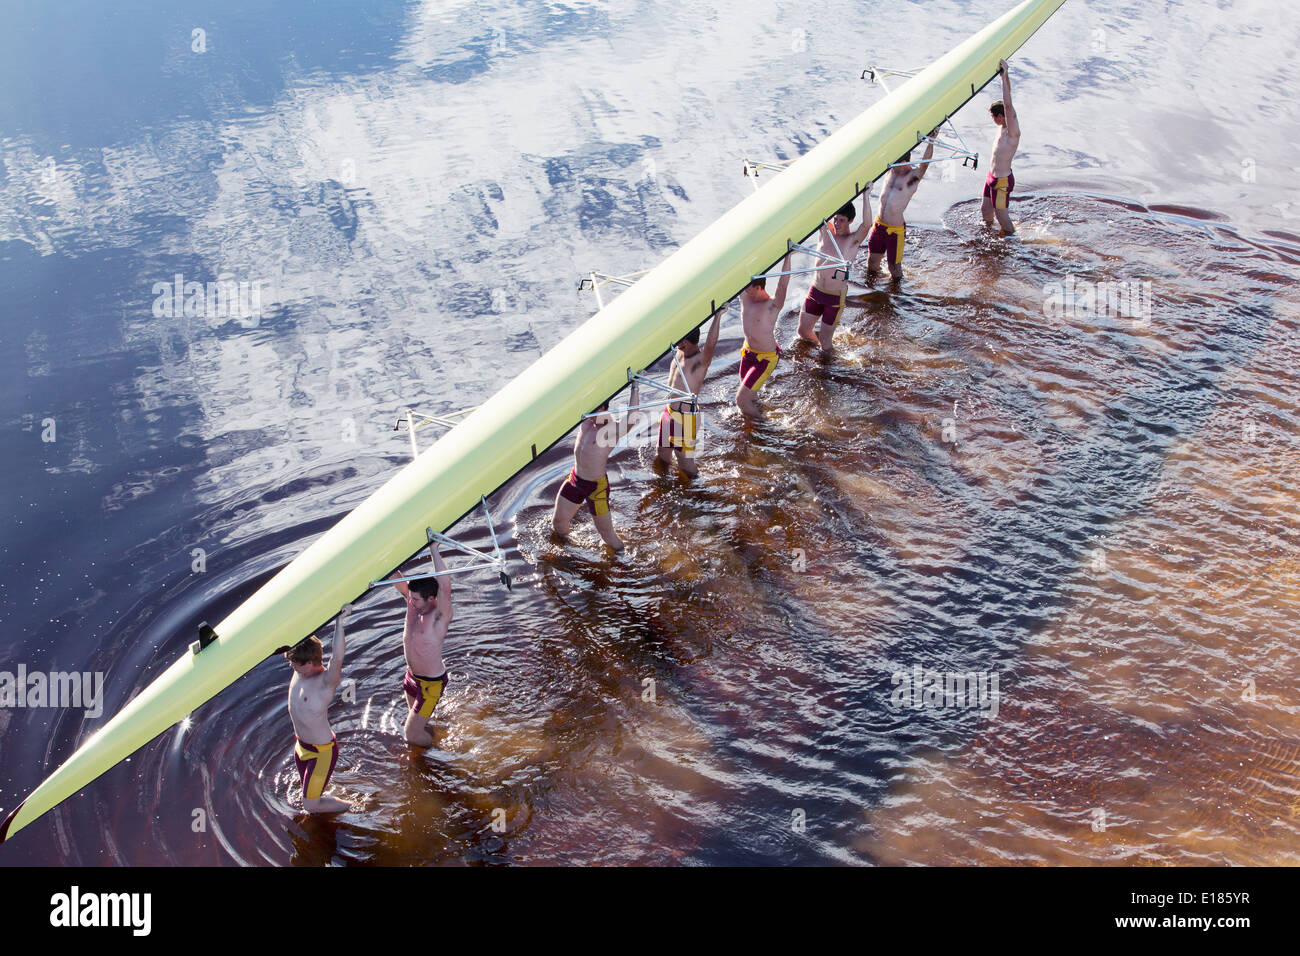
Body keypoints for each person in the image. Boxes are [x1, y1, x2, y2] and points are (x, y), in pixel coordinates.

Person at [552, 384, 639, 551]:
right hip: (575, 480)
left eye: (593, 406)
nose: (588, 409)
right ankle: (572, 553)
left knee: (608, 538)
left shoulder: (609, 430)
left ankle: (623, 561)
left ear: (601, 407)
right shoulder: (586, 421)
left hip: (596, 489)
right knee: (559, 524)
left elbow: (630, 420)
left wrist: (635, 387)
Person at [285, 605, 352, 813]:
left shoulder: (325, 682)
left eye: (295, 663)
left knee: (310, 805)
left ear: (310, 662)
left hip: (322, 752)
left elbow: (338, 657)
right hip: (301, 747)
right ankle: (326, 798)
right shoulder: (300, 670)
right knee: (309, 794)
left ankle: (354, 808)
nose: (291, 667)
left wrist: (339, 622)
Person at [392, 550, 452, 748]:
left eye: (416, 599)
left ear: (431, 599)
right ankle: (433, 739)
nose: (411, 602)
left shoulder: (440, 618)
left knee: (411, 735)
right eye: (411, 598)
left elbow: (445, 586)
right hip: (412, 677)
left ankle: (442, 752)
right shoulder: (413, 605)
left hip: (430, 685)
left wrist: (434, 548)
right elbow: (395, 576)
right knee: (420, 725)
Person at [796, 197, 873, 351]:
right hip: (815, 290)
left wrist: (866, 195)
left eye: (842, 220)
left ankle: (830, 366)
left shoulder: (852, 240)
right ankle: (815, 350)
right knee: (803, 332)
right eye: (835, 219)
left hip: (834, 297)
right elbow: (817, 206)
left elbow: (867, 224)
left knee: (826, 344)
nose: (837, 223)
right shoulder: (825, 231)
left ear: (850, 221)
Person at [658, 310, 722, 476]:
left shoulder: (699, 362)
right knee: (663, 455)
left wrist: (718, 315)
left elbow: (711, 344)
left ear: (686, 341)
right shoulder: (679, 351)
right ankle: (663, 487)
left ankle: (700, 493)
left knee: (685, 463)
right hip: (669, 412)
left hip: (685, 419)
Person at [866, 132, 936, 283]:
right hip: (878, 225)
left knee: (894, 269)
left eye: (897, 162)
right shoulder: (891, 171)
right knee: (871, 264)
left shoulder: (912, 178)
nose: (893, 164)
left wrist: (931, 140)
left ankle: (897, 298)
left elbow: (925, 163)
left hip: (894, 231)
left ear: (905, 161)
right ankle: (871, 294)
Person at [736, 253, 792, 418]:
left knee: (741, 401)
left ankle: (763, 428)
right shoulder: (745, 297)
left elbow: (783, 284)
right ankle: (758, 415)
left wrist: (787, 257)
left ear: (759, 287)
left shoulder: (772, 305)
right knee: (749, 396)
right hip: (747, 354)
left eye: (749, 288)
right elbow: (738, 271)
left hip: (765, 359)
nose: (745, 291)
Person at [982, 58, 1019, 235]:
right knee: (985, 210)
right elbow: (1007, 102)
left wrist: (1004, 77)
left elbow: (1009, 105)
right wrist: (1005, 77)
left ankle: (1013, 242)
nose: (993, 121)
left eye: (994, 117)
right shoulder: (1001, 127)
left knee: (1002, 216)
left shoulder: (1012, 132)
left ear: (1002, 116)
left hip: (1002, 182)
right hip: (991, 176)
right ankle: (989, 236)